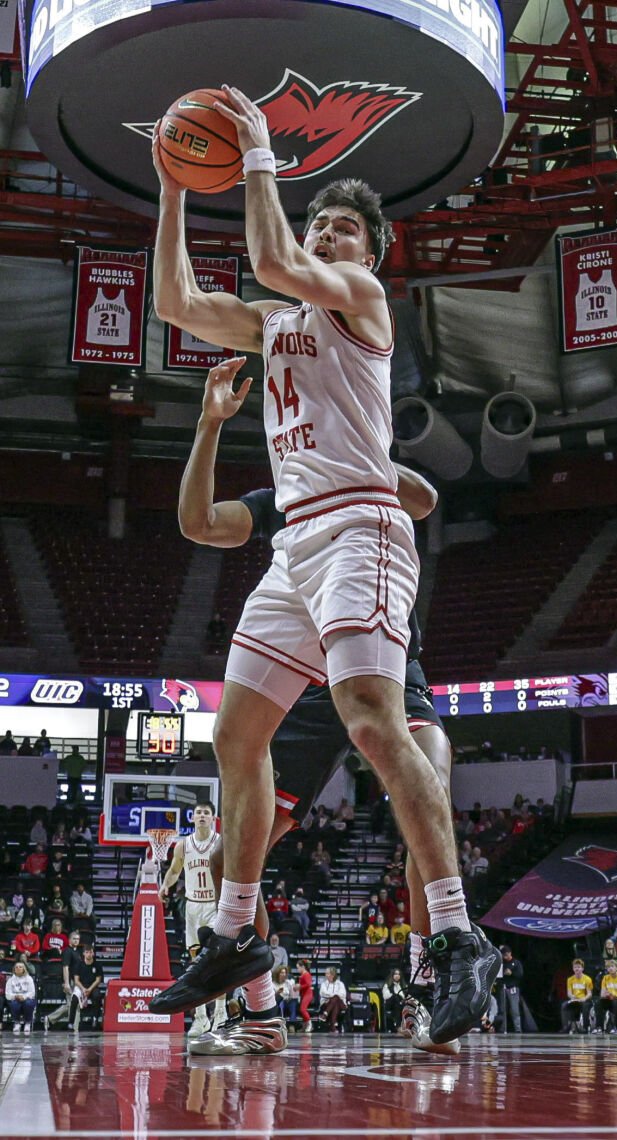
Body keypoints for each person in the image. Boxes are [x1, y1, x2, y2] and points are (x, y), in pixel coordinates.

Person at [149, 92, 495, 1053]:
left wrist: (259, 152)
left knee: (377, 724)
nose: (327, 234)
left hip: (359, 529)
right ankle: (233, 936)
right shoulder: (274, 323)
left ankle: (457, 935)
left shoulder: (362, 302)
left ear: (368, 253)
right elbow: (176, 303)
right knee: (234, 733)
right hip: (295, 544)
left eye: (344, 228)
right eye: (321, 223)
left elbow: (271, 260)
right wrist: (173, 189)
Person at [170, 366, 461, 1058]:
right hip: (306, 684)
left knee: (433, 791)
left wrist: (348, 445)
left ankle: (427, 990)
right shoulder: (280, 500)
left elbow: (424, 498)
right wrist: (210, 423)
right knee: (230, 851)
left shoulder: (362, 471)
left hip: (387, 673)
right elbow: (199, 523)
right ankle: (262, 1014)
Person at [161, 803, 227, 1037]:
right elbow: (174, 870)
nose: (201, 816)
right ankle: (200, 1018)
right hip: (192, 907)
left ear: (213, 818)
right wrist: (165, 886)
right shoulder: (183, 845)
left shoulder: (221, 843)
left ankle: (220, 1013)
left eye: (206, 813)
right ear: (192, 817)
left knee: (217, 961)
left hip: (214, 904)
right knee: (195, 963)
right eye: (198, 812)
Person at [62, 944, 103, 1032]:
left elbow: (98, 980)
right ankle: (71, 1023)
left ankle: (95, 1019)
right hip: (81, 987)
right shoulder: (79, 964)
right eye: (87, 952)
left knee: (97, 995)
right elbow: (76, 980)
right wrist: (83, 989)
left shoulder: (97, 965)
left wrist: (89, 989)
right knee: (74, 999)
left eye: (90, 952)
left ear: (93, 953)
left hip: (92, 987)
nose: (89, 954)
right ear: (84, 953)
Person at [562, 960, 595, 1034]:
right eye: (575, 967)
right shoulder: (570, 979)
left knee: (585, 1006)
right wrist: (572, 997)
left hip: (584, 1000)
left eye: (579, 967)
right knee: (564, 1005)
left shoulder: (587, 979)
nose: (577, 969)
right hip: (575, 999)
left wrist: (584, 999)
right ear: (573, 969)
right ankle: (566, 1027)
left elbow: (589, 993)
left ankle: (585, 1027)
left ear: (582, 968)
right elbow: (569, 993)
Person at [6, 961, 34, 1034]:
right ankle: (17, 1023)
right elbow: (7, 994)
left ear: (24, 969)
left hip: (27, 999)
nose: (18, 968)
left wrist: (24, 997)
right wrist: (15, 996)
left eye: (20, 967)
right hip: (15, 998)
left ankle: (27, 1023)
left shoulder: (29, 978)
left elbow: (32, 992)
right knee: (14, 1004)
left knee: (28, 1003)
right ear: (14, 969)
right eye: (16, 967)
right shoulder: (10, 980)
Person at [318, 966, 349, 1033]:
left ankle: (325, 1014)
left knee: (336, 998)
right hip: (326, 1003)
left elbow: (342, 994)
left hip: (341, 1004)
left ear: (332, 975)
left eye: (327, 973)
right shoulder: (324, 984)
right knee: (335, 1001)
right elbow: (322, 993)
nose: (325, 975)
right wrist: (334, 995)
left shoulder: (340, 984)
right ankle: (333, 1026)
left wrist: (332, 996)